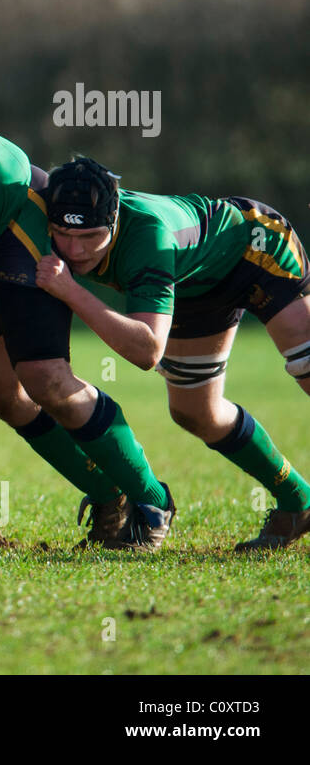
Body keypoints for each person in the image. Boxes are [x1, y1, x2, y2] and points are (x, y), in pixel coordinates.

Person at [37, 157, 310, 550]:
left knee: (306, 368)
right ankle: (298, 501)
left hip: (256, 250)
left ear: (113, 222)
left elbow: (147, 349)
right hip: (193, 286)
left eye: (91, 237)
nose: (75, 250)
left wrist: (71, 291)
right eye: (63, 234)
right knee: (196, 413)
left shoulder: (147, 234)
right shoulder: (53, 218)